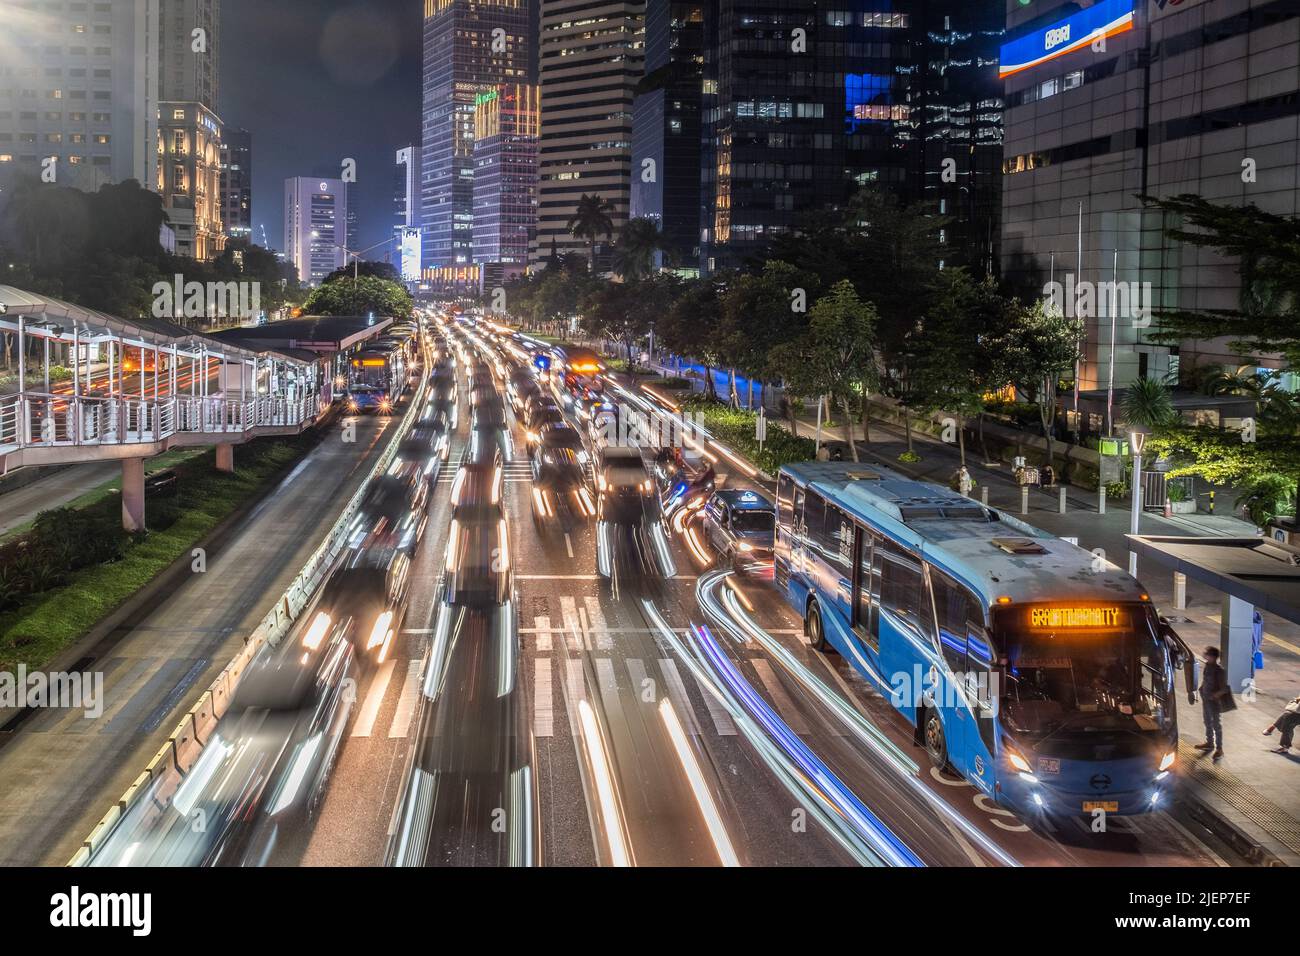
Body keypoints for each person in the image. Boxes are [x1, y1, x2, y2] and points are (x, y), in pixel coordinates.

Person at [1193, 646, 1229, 761]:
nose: (1205, 655)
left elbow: (1224, 689)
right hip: (1206, 700)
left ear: (1213, 657)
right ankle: (1209, 742)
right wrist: (1202, 689)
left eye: (1207, 654)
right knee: (1207, 721)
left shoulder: (1219, 671)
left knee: (1216, 725)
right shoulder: (1207, 666)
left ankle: (1220, 748)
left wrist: (1214, 696)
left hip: (1214, 703)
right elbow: (1205, 680)